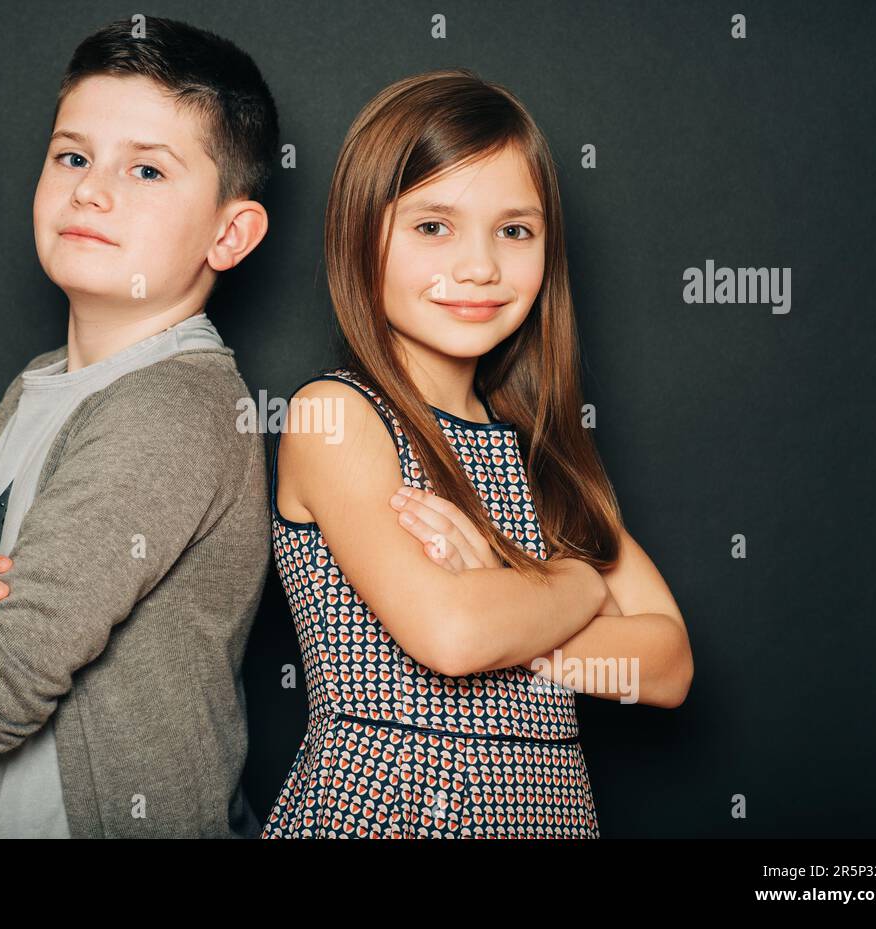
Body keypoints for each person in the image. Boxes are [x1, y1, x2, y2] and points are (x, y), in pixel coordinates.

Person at [0, 16, 279, 838]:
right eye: (73, 155)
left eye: (146, 168)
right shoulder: (37, 386)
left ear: (230, 232)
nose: (90, 190)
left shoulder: (172, 407)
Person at [262, 68, 693, 838]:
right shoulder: (338, 414)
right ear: (363, 235)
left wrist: (510, 597)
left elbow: (667, 666)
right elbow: (455, 638)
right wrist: (573, 579)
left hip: (548, 814)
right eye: (433, 226)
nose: (480, 267)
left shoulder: (541, 454)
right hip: (394, 811)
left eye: (515, 230)